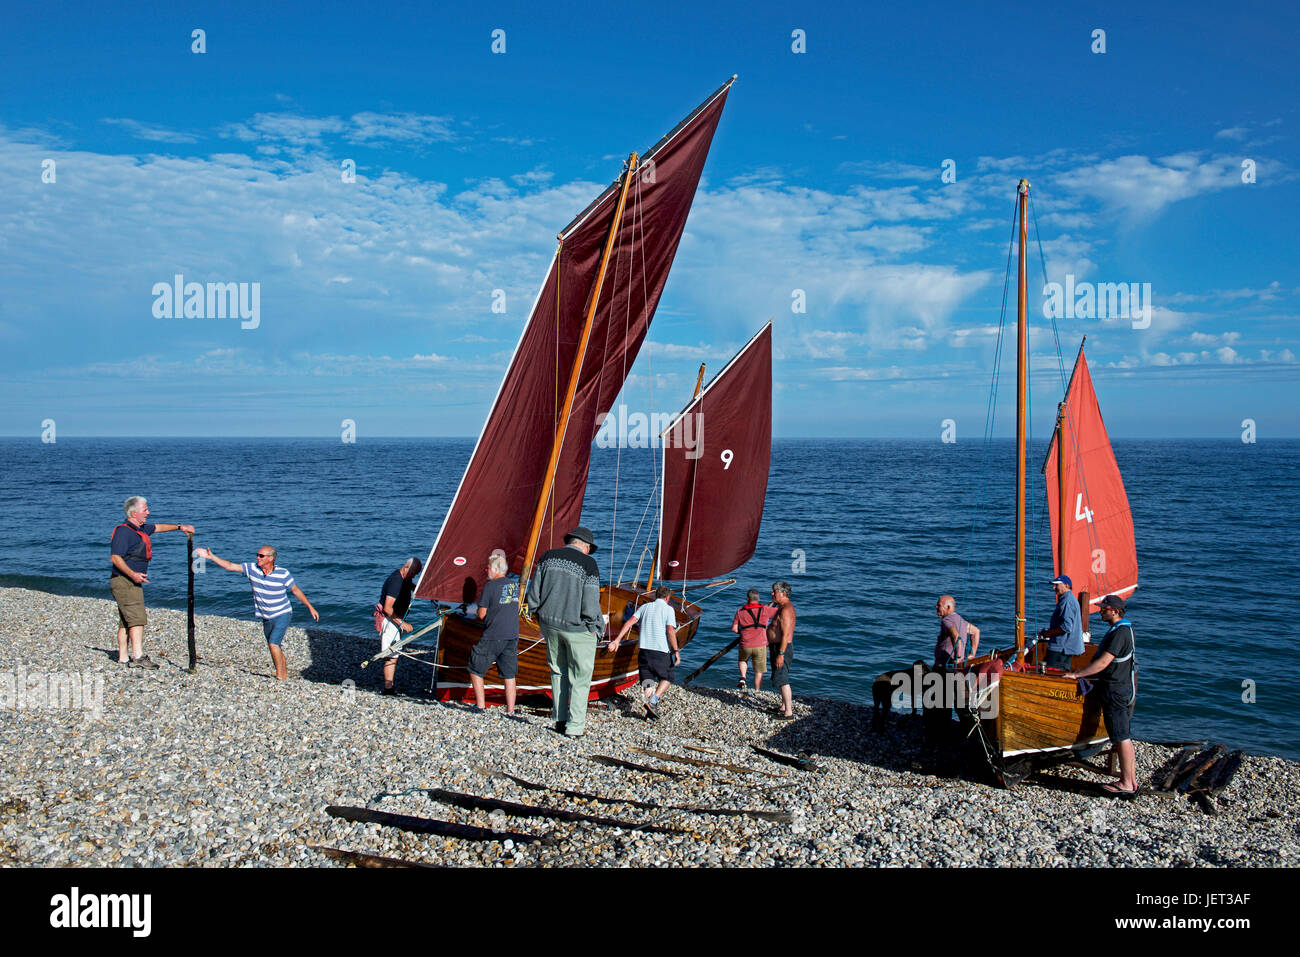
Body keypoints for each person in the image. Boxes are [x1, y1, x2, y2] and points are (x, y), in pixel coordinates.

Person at [194, 544, 318, 680]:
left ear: (271, 558)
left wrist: (310, 607)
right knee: (275, 645)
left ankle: (280, 677)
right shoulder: (252, 569)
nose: (257, 558)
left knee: (273, 644)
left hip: (282, 613)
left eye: (261, 556)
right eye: (257, 555)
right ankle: (284, 674)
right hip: (266, 616)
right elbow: (230, 566)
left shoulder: (283, 573)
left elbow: (296, 590)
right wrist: (211, 557)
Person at [525, 526, 603, 738]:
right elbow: (590, 602)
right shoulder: (589, 564)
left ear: (570, 541)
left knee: (558, 671)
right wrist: (595, 625)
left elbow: (534, 592)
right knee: (580, 677)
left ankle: (559, 720)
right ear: (585, 547)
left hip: (549, 624)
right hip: (577, 628)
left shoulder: (548, 556)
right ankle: (575, 727)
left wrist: (535, 613)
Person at [1064, 594, 1139, 795]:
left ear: (1115, 611)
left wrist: (1077, 674)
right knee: (1123, 735)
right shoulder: (1123, 630)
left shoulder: (1120, 633)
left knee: (1120, 736)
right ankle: (1130, 781)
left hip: (1115, 690)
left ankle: (1126, 784)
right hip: (1118, 689)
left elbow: (1104, 662)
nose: (1101, 611)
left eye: (1104, 609)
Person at [109, 496, 194, 668]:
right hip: (125, 581)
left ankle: (123, 657)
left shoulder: (140, 528)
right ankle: (138, 657)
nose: (148, 512)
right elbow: (115, 558)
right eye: (145, 510)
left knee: (126, 620)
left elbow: (158, 527)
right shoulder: (123, 531)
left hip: (129, 581)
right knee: (137, 619)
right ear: (134, 513)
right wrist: (133, 575)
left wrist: (179, 527)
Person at [609, 585, 679, 720]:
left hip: (644, 650)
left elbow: (629, 622)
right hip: (660, 650)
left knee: (648, 680)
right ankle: (653, 701)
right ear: (667, 598)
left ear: (656, 595)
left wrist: (617, 640)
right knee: (668, 677)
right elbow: (670, 630)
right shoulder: (668, 609)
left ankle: (649, 714)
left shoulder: (644, 607)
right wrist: (676, 650)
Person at [472, 548, 519, 714]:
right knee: (509, 674)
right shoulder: (515, 585)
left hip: (493, 635)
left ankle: (480, 706)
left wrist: (480, 613)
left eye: (488, 568)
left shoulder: (490, 586)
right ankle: (511, 709)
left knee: (475, 668)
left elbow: (481, 614)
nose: (487, 571)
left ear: (496, 570)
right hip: (512, 635)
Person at [377, 556, 422, 695]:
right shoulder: (396, 582)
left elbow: (411, 585)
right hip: (390, 620)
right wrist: (403, 624)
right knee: (391, 654)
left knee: (394, 653)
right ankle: (388, 688)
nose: (414, 576)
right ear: (406, 568)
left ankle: (389, 686)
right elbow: (387, 608)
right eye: (414, 573)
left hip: (395, 620)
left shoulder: (405, 578)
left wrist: (422, 590)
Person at [1037, 574, 1084, 670]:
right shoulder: (1067, 599)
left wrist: (1048, 633)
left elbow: (1066, 627)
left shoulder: (1067, 601)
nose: (1054, 587)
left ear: (1066, 586)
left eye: (1056, 585)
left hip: (1061, 649)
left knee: (1053, 674)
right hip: (1064, 647)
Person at [731, 589, 774, 691]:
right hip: (760, 645)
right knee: (758, 671)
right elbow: (780, 612)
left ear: (747, 599)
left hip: (745, 644)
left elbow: (734, 629)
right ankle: (757, 691)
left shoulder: (740, 611)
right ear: (758, 599)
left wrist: (742, 632)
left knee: (742, 661)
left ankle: (743, 677)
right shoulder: (765, 610)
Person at [767, 581, 797, 720]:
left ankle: (789, 713)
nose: (772, 593)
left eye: (775, 592)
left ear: (783, 593)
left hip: (781, 648)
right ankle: (783, 706)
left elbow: (785, 635)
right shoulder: (781, 607)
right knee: (779, 677)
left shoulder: (786, 610)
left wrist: (780, 654)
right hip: (776, 646)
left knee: (783, 679)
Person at [934, 595, 980, 669]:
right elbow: (976, 631)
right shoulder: (960, 620)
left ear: (948, 607)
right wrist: (972, 654)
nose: (936, 607)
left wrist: (957, 657)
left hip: (944, 666)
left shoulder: (947, 621)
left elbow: (955, 635)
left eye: (939, 605)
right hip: (957, 666)